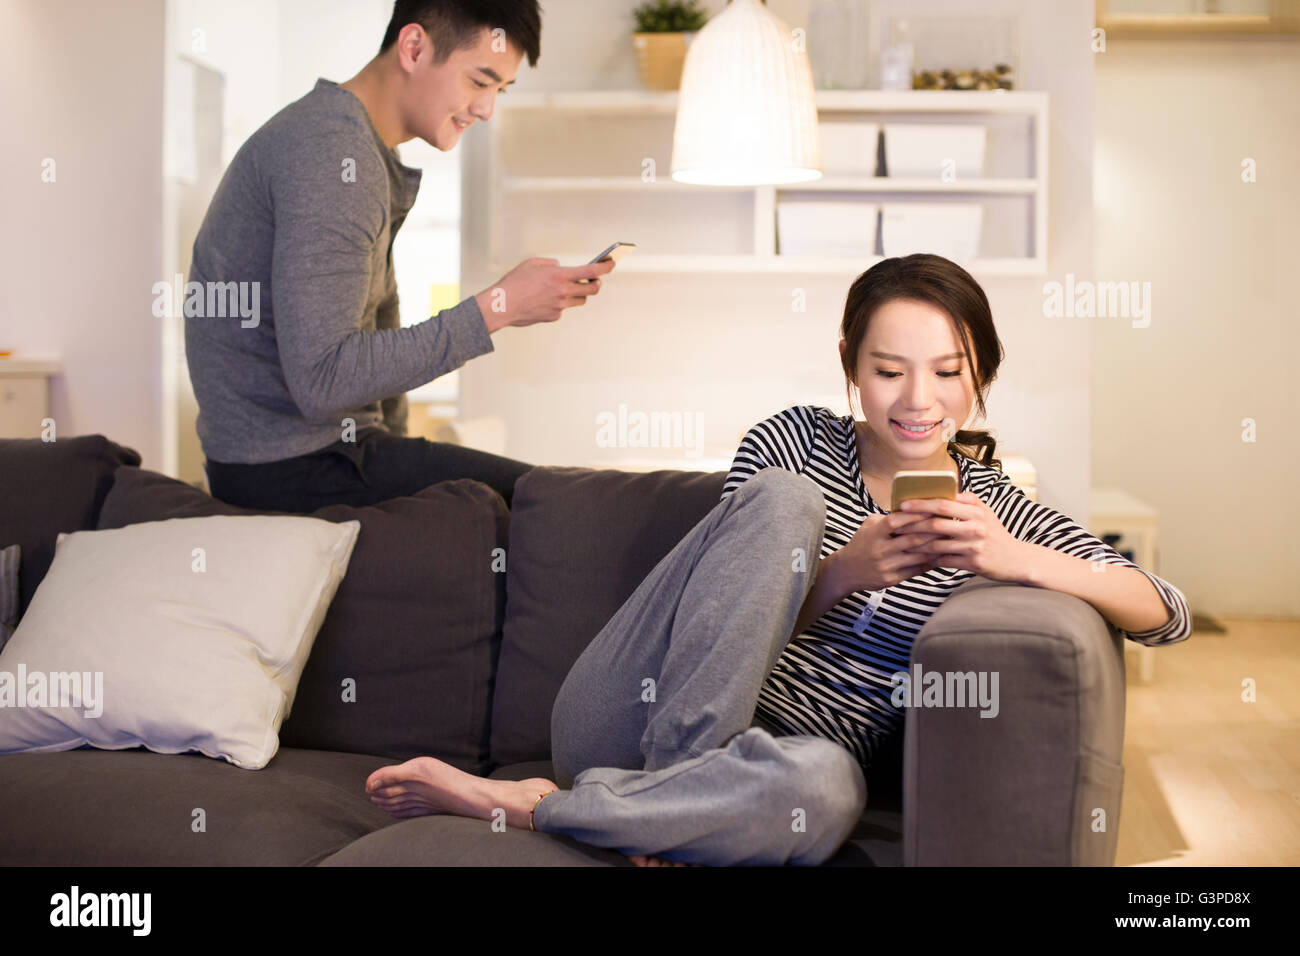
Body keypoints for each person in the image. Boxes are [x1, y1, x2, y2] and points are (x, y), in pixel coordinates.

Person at [363, 253, 1194, 866]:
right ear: (850, 369)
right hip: (626, 719)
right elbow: (719, 611)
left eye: (948, 372)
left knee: (827, 794)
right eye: (889, 370)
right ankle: (669, 792)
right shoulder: (795, 438)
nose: (918, 399)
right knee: (786, 500)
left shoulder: (997, 510)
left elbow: (1167, 610)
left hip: (779, 765)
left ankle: (561, 811)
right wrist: (842, 575)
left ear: (981, 377)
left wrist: (1013, 556)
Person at [185, 0, 611, 512]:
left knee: (564, 496)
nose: (487, 109)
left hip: (308, 454)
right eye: (480, 81)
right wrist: (498, 307)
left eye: (500, 89)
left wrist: (402, 448)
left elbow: (371, 335)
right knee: (574, 503)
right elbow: (324, 380)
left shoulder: (353, 145)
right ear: (413, 48)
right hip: (291, 464)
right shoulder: (335, 154)